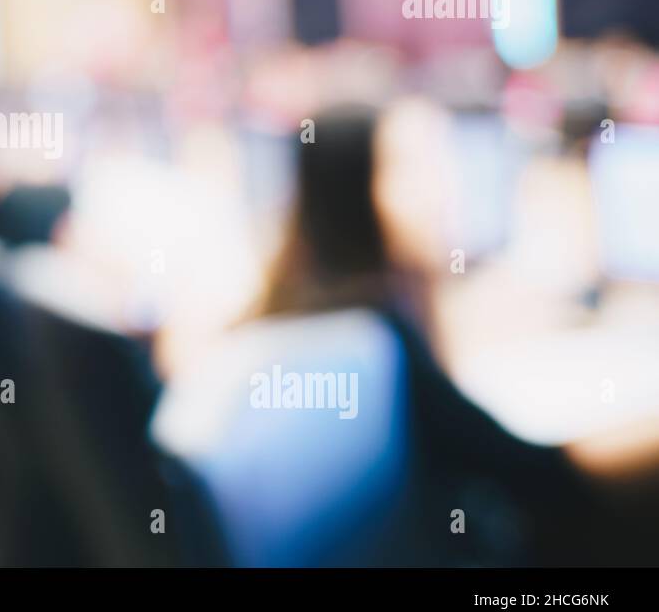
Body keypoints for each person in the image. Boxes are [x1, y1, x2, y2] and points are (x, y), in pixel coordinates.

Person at [153, 103, 594, 566]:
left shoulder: (285, 318)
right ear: (350, 194)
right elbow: (541, 476)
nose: (441, 193)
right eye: (410, 170)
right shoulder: (377, 341)